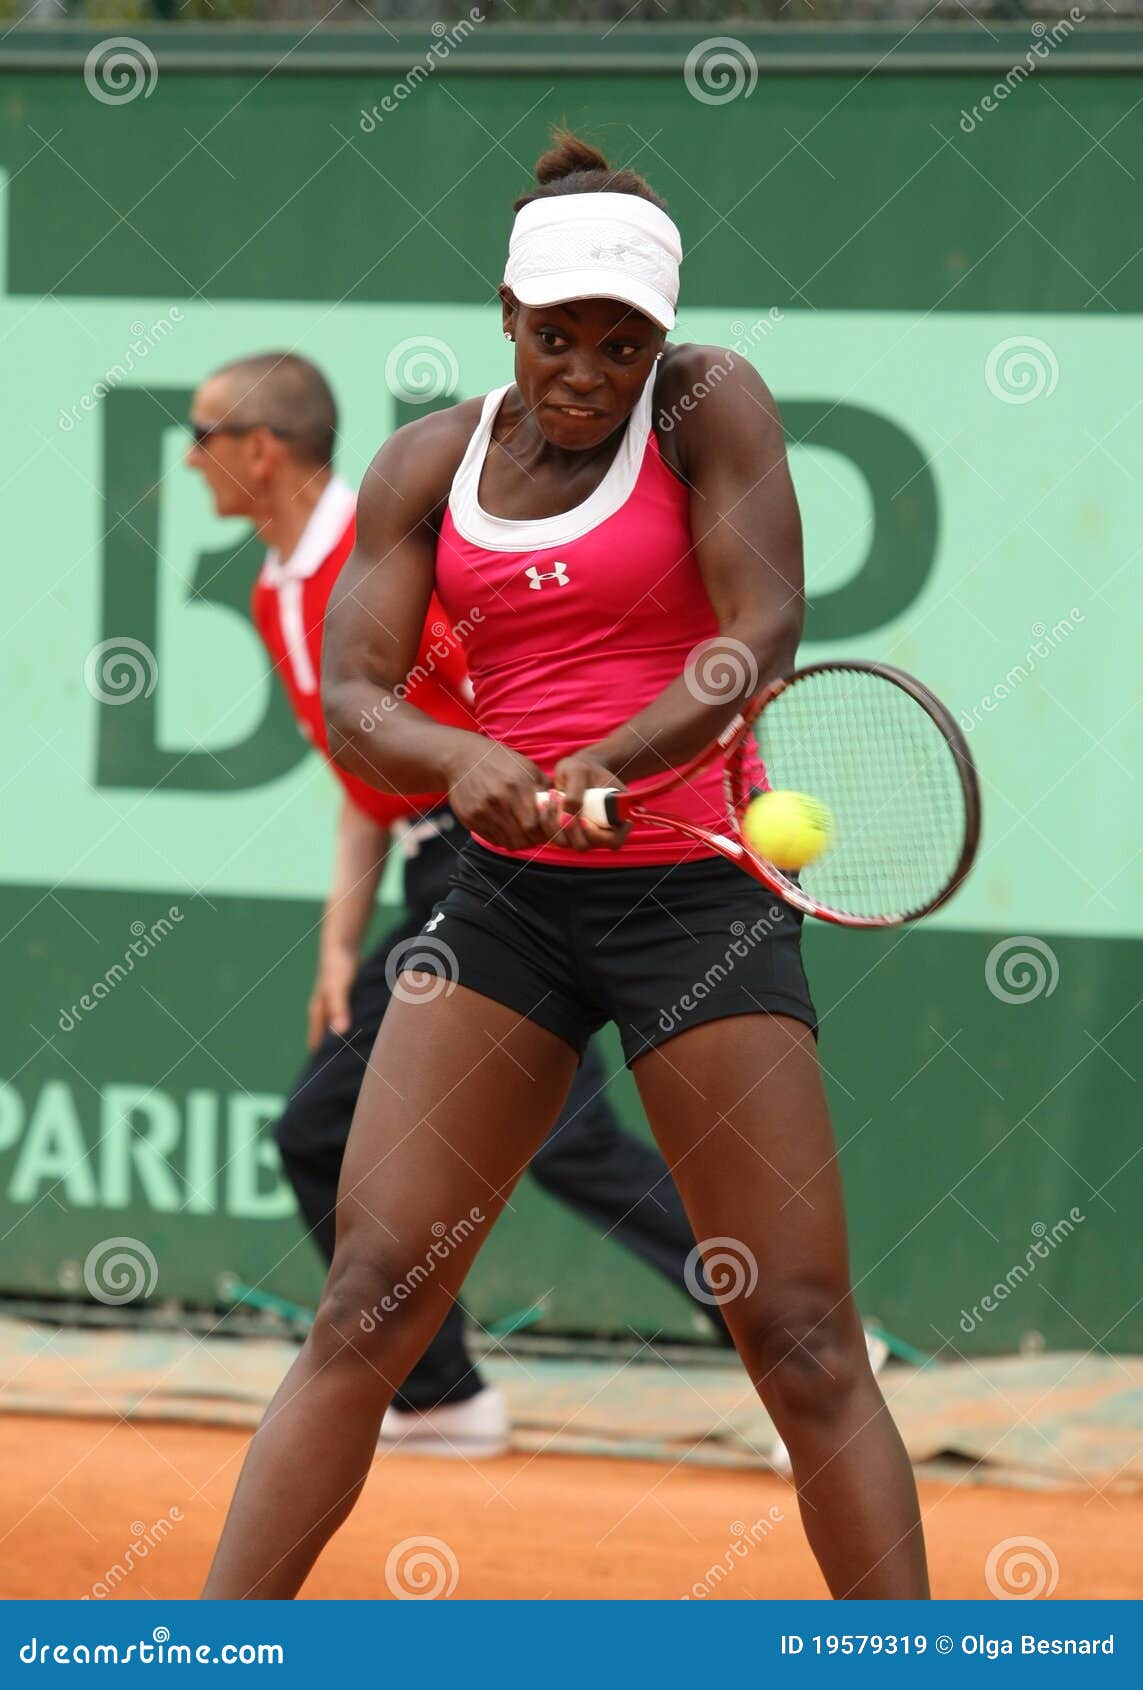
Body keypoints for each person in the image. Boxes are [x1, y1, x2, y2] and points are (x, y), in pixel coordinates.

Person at [202, 132, 927, 1601]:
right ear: (505, 315)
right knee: (369, 1295)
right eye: (556, 337)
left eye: (621, 340)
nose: (586, 368)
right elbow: (358, 690)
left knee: (792, 1328)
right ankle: (210, 1642)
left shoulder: (709, 402)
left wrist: (614, 755)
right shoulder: (426, 462)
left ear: (660, 335)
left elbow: (756, 632)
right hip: (503, 908)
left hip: (696, 908)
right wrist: (464, 761)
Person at [185, 351, 729, 1458]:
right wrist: (338, 948)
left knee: (529, 1137)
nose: (188, 460)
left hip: (508, 860)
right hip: (446, 866)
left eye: (200, 436)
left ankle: (777, 1326)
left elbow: (512, 690)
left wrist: (562, 791)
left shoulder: (384, 540)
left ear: (259, 451)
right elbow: (365, 780)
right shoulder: (272, 587)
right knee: (372, 1128)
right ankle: (440, 1389)